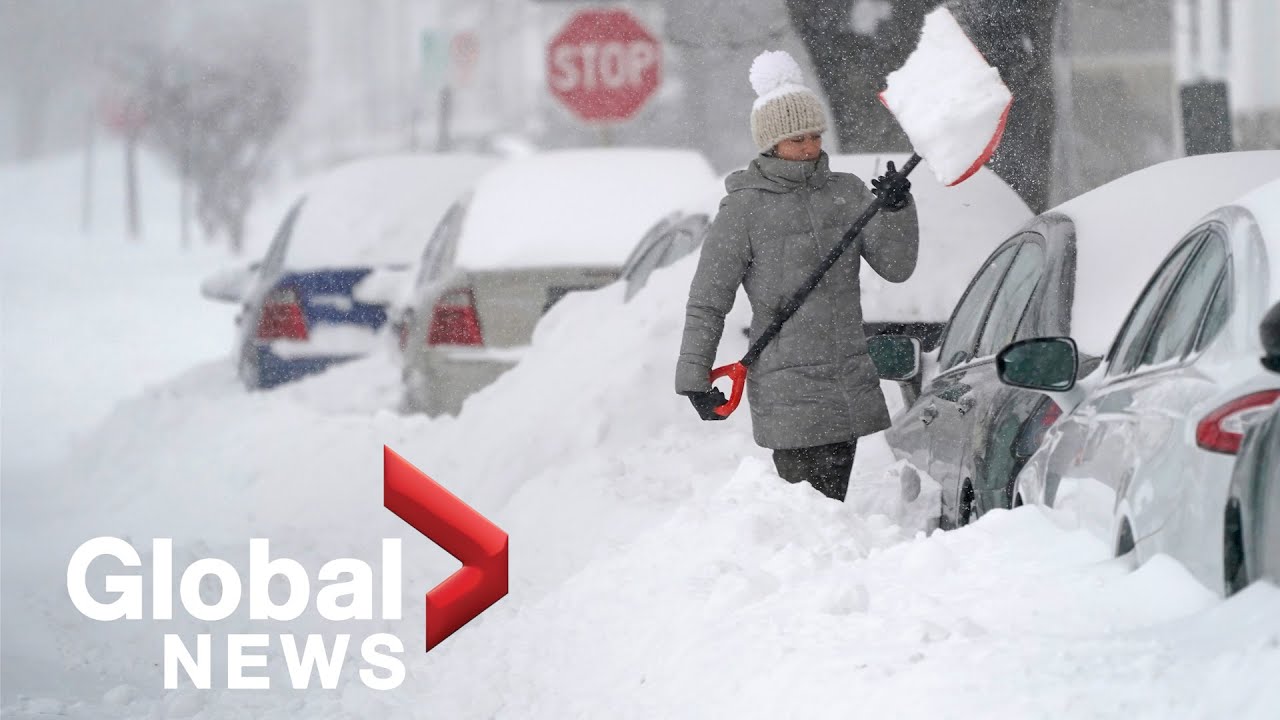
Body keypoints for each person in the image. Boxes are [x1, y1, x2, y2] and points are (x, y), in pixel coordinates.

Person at [675, 50, 919, 502]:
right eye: (795, 139)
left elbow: (897, 268)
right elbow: (709, 299)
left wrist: (897, 210)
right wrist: (693, 377)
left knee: (832, 512)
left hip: (846, 380)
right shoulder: (743, 209)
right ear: (770, 144)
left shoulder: (846, 193)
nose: (808, 147)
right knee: (809, 514)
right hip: (788, 389)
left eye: (813, 135)